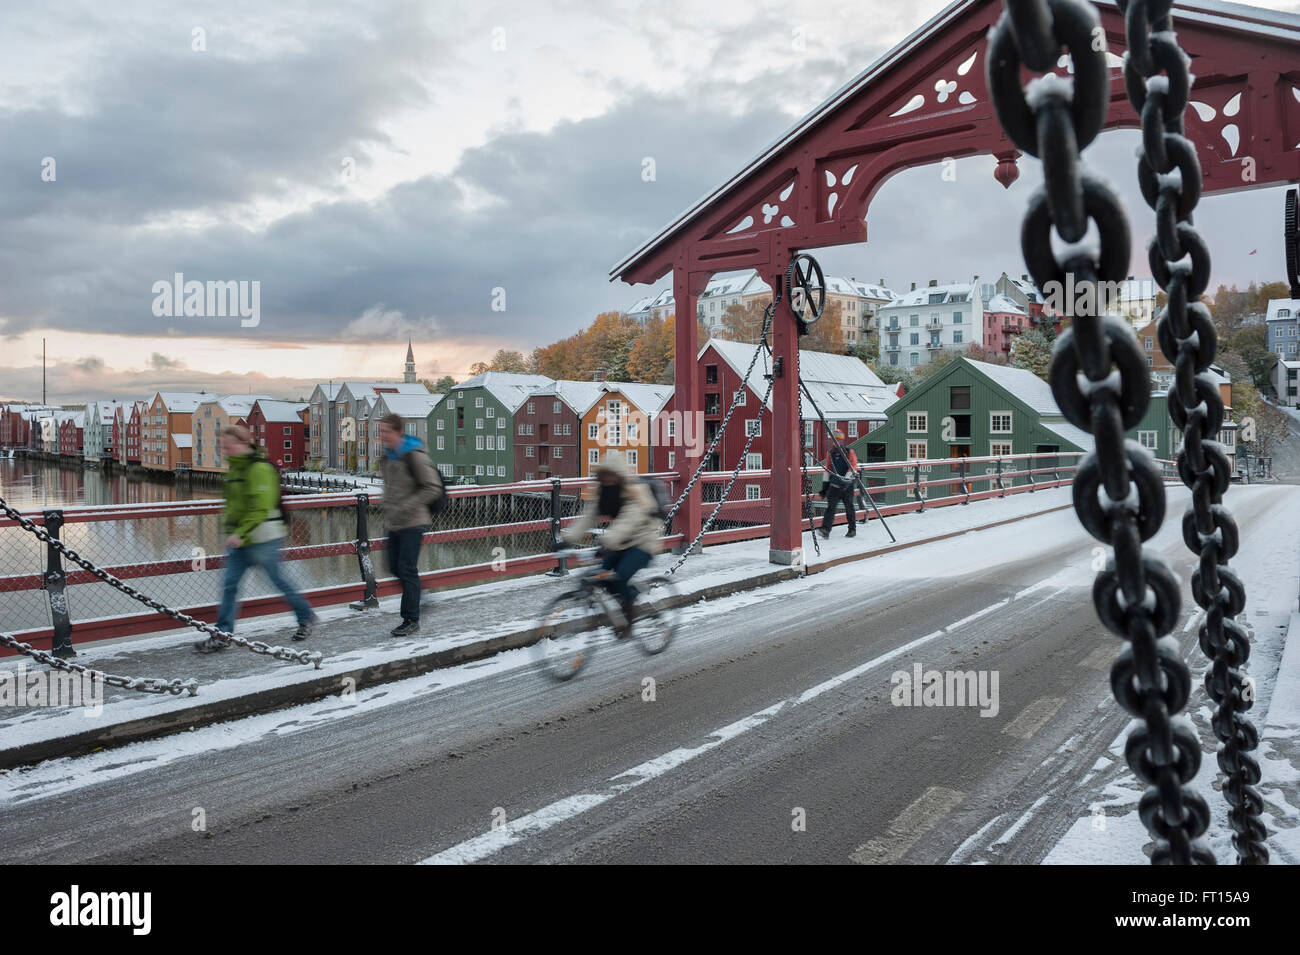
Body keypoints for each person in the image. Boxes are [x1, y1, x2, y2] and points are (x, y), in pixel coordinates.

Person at [196, 425, 317, 653]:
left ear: (242, 444)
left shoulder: (259, 469)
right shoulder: (235, 469)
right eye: (223, 446)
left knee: (277, 581)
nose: (224, 450)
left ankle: (306, 616)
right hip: (241, 540)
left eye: (228, 446)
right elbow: (235, 506)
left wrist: (239, 533)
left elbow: (261, 507)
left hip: (264, 537)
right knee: (229, 585)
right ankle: (223, 634)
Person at [562, 450, 661, 636]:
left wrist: (607, 540)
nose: (607, 479)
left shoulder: (635, 493)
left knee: (620, 576)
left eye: (611, 475)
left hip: (643, 541)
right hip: (620, 542)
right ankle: (623, 603)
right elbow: (588, 519)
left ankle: (629, 618)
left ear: (619, 475)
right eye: (604, 475)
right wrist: (567, 540)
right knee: (603, 577)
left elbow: (628, 520)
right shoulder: (604, 493)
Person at [378, 413, 443, 636]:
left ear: (398, 432)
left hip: (414, 521)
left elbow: (432, 488)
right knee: (393, 567)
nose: (383, 435)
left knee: (406, 569)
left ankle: (411, 619)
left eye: (386, 431)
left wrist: (406, 506)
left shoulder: (414, 456)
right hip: (395, 521)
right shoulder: (388, 457)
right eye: (381, 431)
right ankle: (421, 595)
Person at [819, 430, 860, 539]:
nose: (836, 441)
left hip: (847, 486)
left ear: (842, 440)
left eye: (838, 439)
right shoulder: (831, 453)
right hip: (835, 485)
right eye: (834, 439)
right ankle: (825, 529)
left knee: (849, 508)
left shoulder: (849, 452)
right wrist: (824, 487)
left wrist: (846, 479)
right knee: (830, 508)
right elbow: (828, 469)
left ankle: (852, 530)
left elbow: (853, 466)